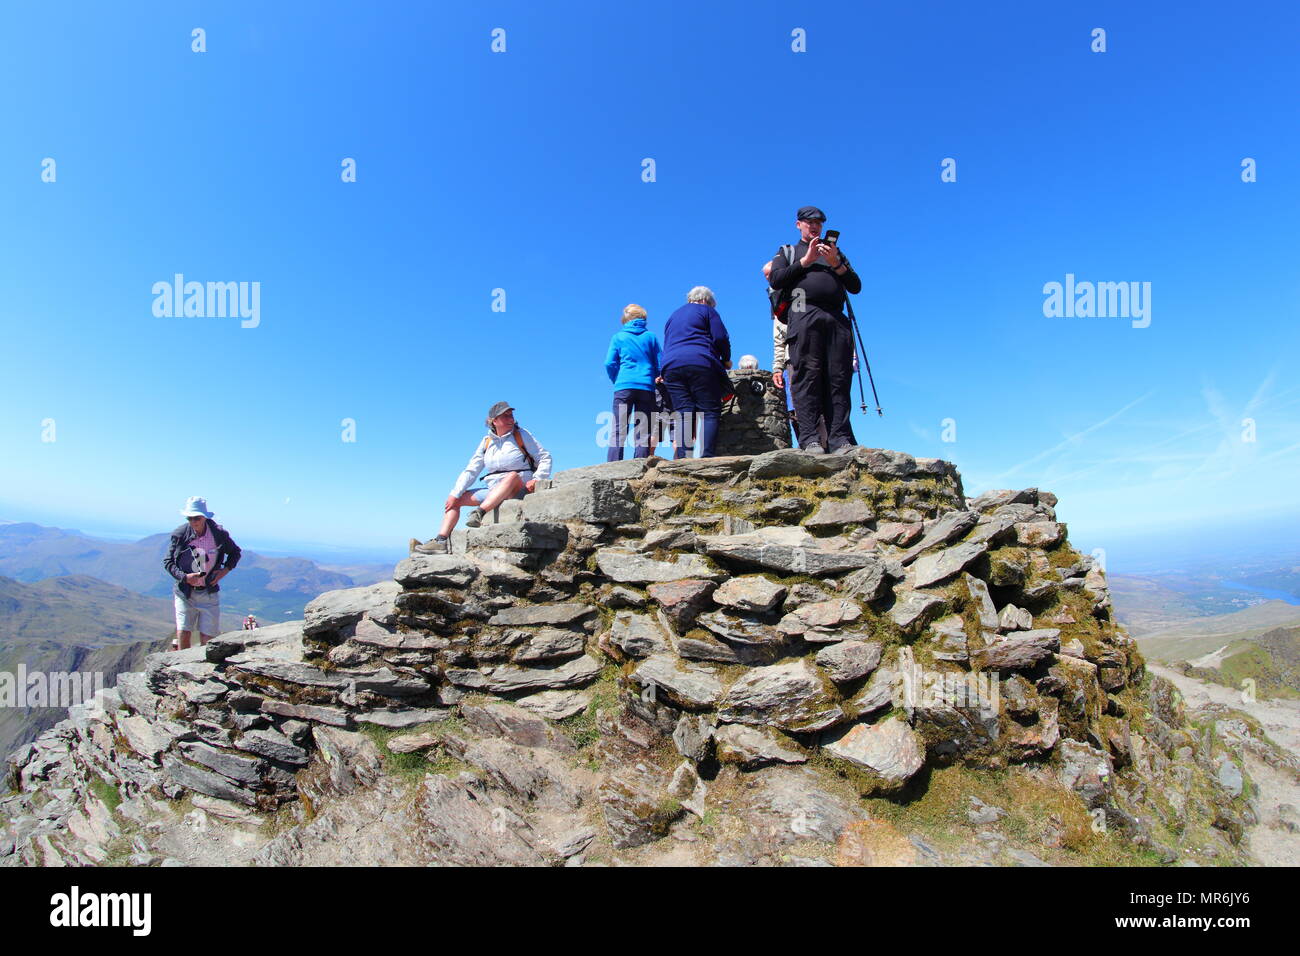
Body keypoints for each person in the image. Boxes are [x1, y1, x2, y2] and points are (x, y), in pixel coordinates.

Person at [766, 205, 862, 453]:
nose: (815, 226)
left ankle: (839, 438)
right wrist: (806, 261)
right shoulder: (788, 251)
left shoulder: (835, 253)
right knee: (806, 377)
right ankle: (809, 439)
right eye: (809, 222)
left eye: (819, 222)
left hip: (836, 318)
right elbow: (775, 278)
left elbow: (855, 285)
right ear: (799, 224)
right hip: (803, 315)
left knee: (838, 379)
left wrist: (836, 263)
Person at [413, 401, 552, 554]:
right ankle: (441, 541)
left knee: (512, 476)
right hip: (493, 490)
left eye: (511, 415)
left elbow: (544, 457)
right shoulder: (487, 442)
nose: (510, 419)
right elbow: (472, 469)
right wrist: (455, 493)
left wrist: (537, 478)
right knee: (455, 501)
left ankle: (479, 513)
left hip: (519, 488)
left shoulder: (521, 435)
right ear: (494, 421)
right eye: (505, 416)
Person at [660, 286, 731, 459]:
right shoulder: (707, 311)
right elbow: (720, 337)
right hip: (700, 361)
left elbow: (668, 342)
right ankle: (707, 457)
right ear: (706, 301)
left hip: (671, 366)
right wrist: (726, 359)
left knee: (684, 412)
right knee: (710, 410)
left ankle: (684, 458)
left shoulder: (673, 316)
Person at [163, 496, 241, 650]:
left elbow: (235, 552)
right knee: (184, 633)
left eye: (197, 518)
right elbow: (168, 562)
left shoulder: (218, 534)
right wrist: (184, 577)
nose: (193, 522)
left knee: (208, 637)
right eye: (190, 518)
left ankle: (204, 670)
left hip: (208, 592)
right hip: (185, 593)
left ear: (204, 517)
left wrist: (224, 571)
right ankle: (181, 668)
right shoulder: (180, 534)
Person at [603, 304, 662, 461]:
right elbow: (660, 363)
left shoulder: (618, 337)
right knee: (643, 429)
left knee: (618, 428)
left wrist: (617, 378)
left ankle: (613, 466)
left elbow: (609, 363)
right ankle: (641, 465)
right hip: (646, 387)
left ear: (626, 319)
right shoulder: (651, 337)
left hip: (624, 386)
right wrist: (653, 376)